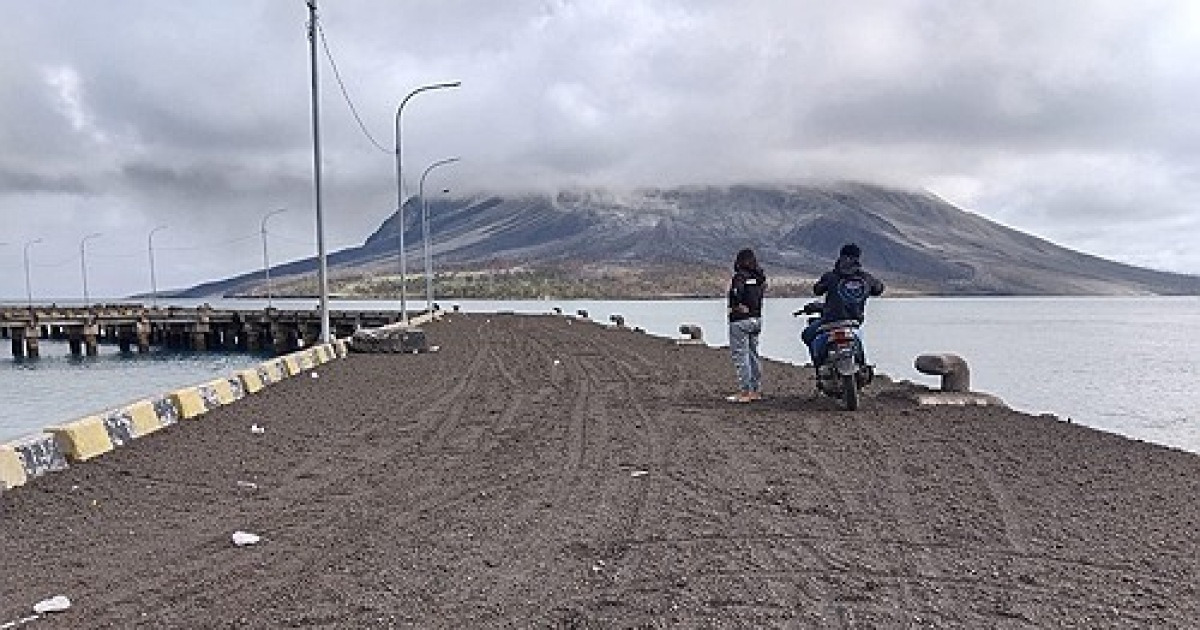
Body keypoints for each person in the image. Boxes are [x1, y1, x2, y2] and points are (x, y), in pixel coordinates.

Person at [800, 243, 884, 365]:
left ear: (841, 256)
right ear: (858, 258)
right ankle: (862, 366)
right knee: (859, 346)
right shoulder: (866, 278)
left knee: (807, 335)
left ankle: (817, 365)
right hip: (854, 323)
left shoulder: (831, 276)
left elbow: (817, 290)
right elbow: (878, 289)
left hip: (829, 322)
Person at [727, 248, 767, 403]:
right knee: (753, 354)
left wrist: (736, 306)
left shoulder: (740, 277)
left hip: (741, 321)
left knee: (740, 355)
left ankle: (745, 391)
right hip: (756, 319)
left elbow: (736, 293)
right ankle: (755, 390)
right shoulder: (759, 278)